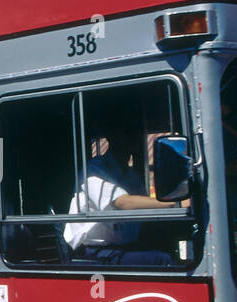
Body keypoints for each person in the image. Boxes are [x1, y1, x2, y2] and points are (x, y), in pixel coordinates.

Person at [63, 106, 190, 264]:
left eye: (137, 132)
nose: (134, 137)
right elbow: (123, 203)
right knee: (161, 260)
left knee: (173, 248)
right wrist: (176, 203)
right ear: (111, 136)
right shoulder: (93, 170)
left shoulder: (131, 176)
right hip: (94, 252)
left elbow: (144, 206)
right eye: (128, 131)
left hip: (124, 247)